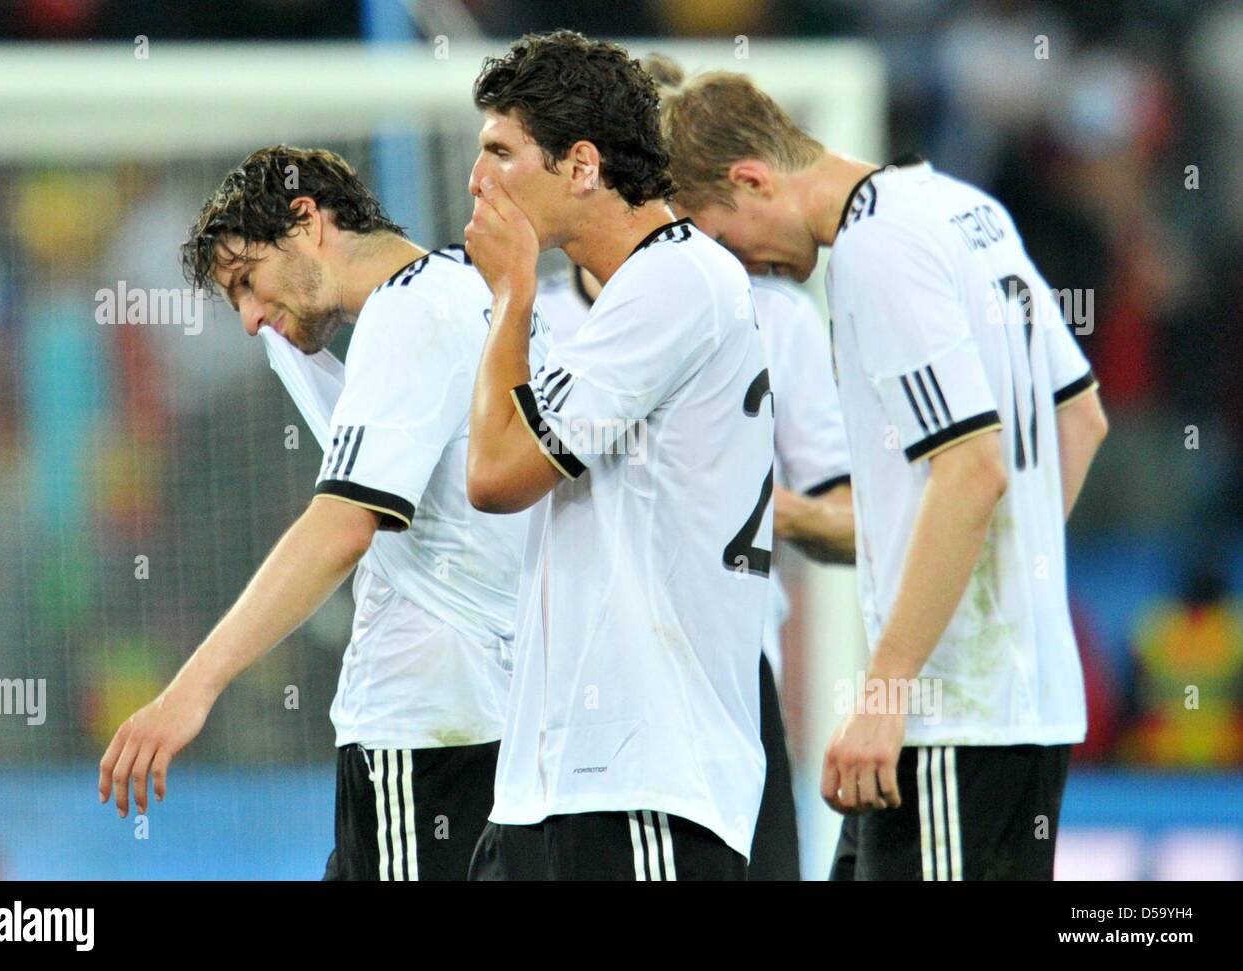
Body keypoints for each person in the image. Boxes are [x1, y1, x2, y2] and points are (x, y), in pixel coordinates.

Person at [658, 72, 1108, 880]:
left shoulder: (877, 250)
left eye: (722, 240)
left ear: (751, 179)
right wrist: (1012, 583)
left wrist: (888, 683)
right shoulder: (966, 211)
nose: (742, 269)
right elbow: (1082, 418)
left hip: (951, 712)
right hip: (1013, 702)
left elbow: (972, 469)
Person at [97, 146, 546, 880]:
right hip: (497, 720)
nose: (247, 319)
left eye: (246, 282)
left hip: (423, 734)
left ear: (305, 220)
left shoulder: (410, 315)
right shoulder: (471, 294)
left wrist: (191, 690)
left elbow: (341, 526)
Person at [462, 30, 773, 880]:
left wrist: (511, 296)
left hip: (639, 789)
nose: (477, 182)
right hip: (554, 786)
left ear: (583, 165)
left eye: (501, 153)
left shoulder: (678, 283)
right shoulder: (641, 295)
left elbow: (495, 476)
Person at [536, 260, 854, 882]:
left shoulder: (768, 312)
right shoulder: (527, 316)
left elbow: (852, 521)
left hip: (723, 691)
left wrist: (745, 498)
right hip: (557, 692)